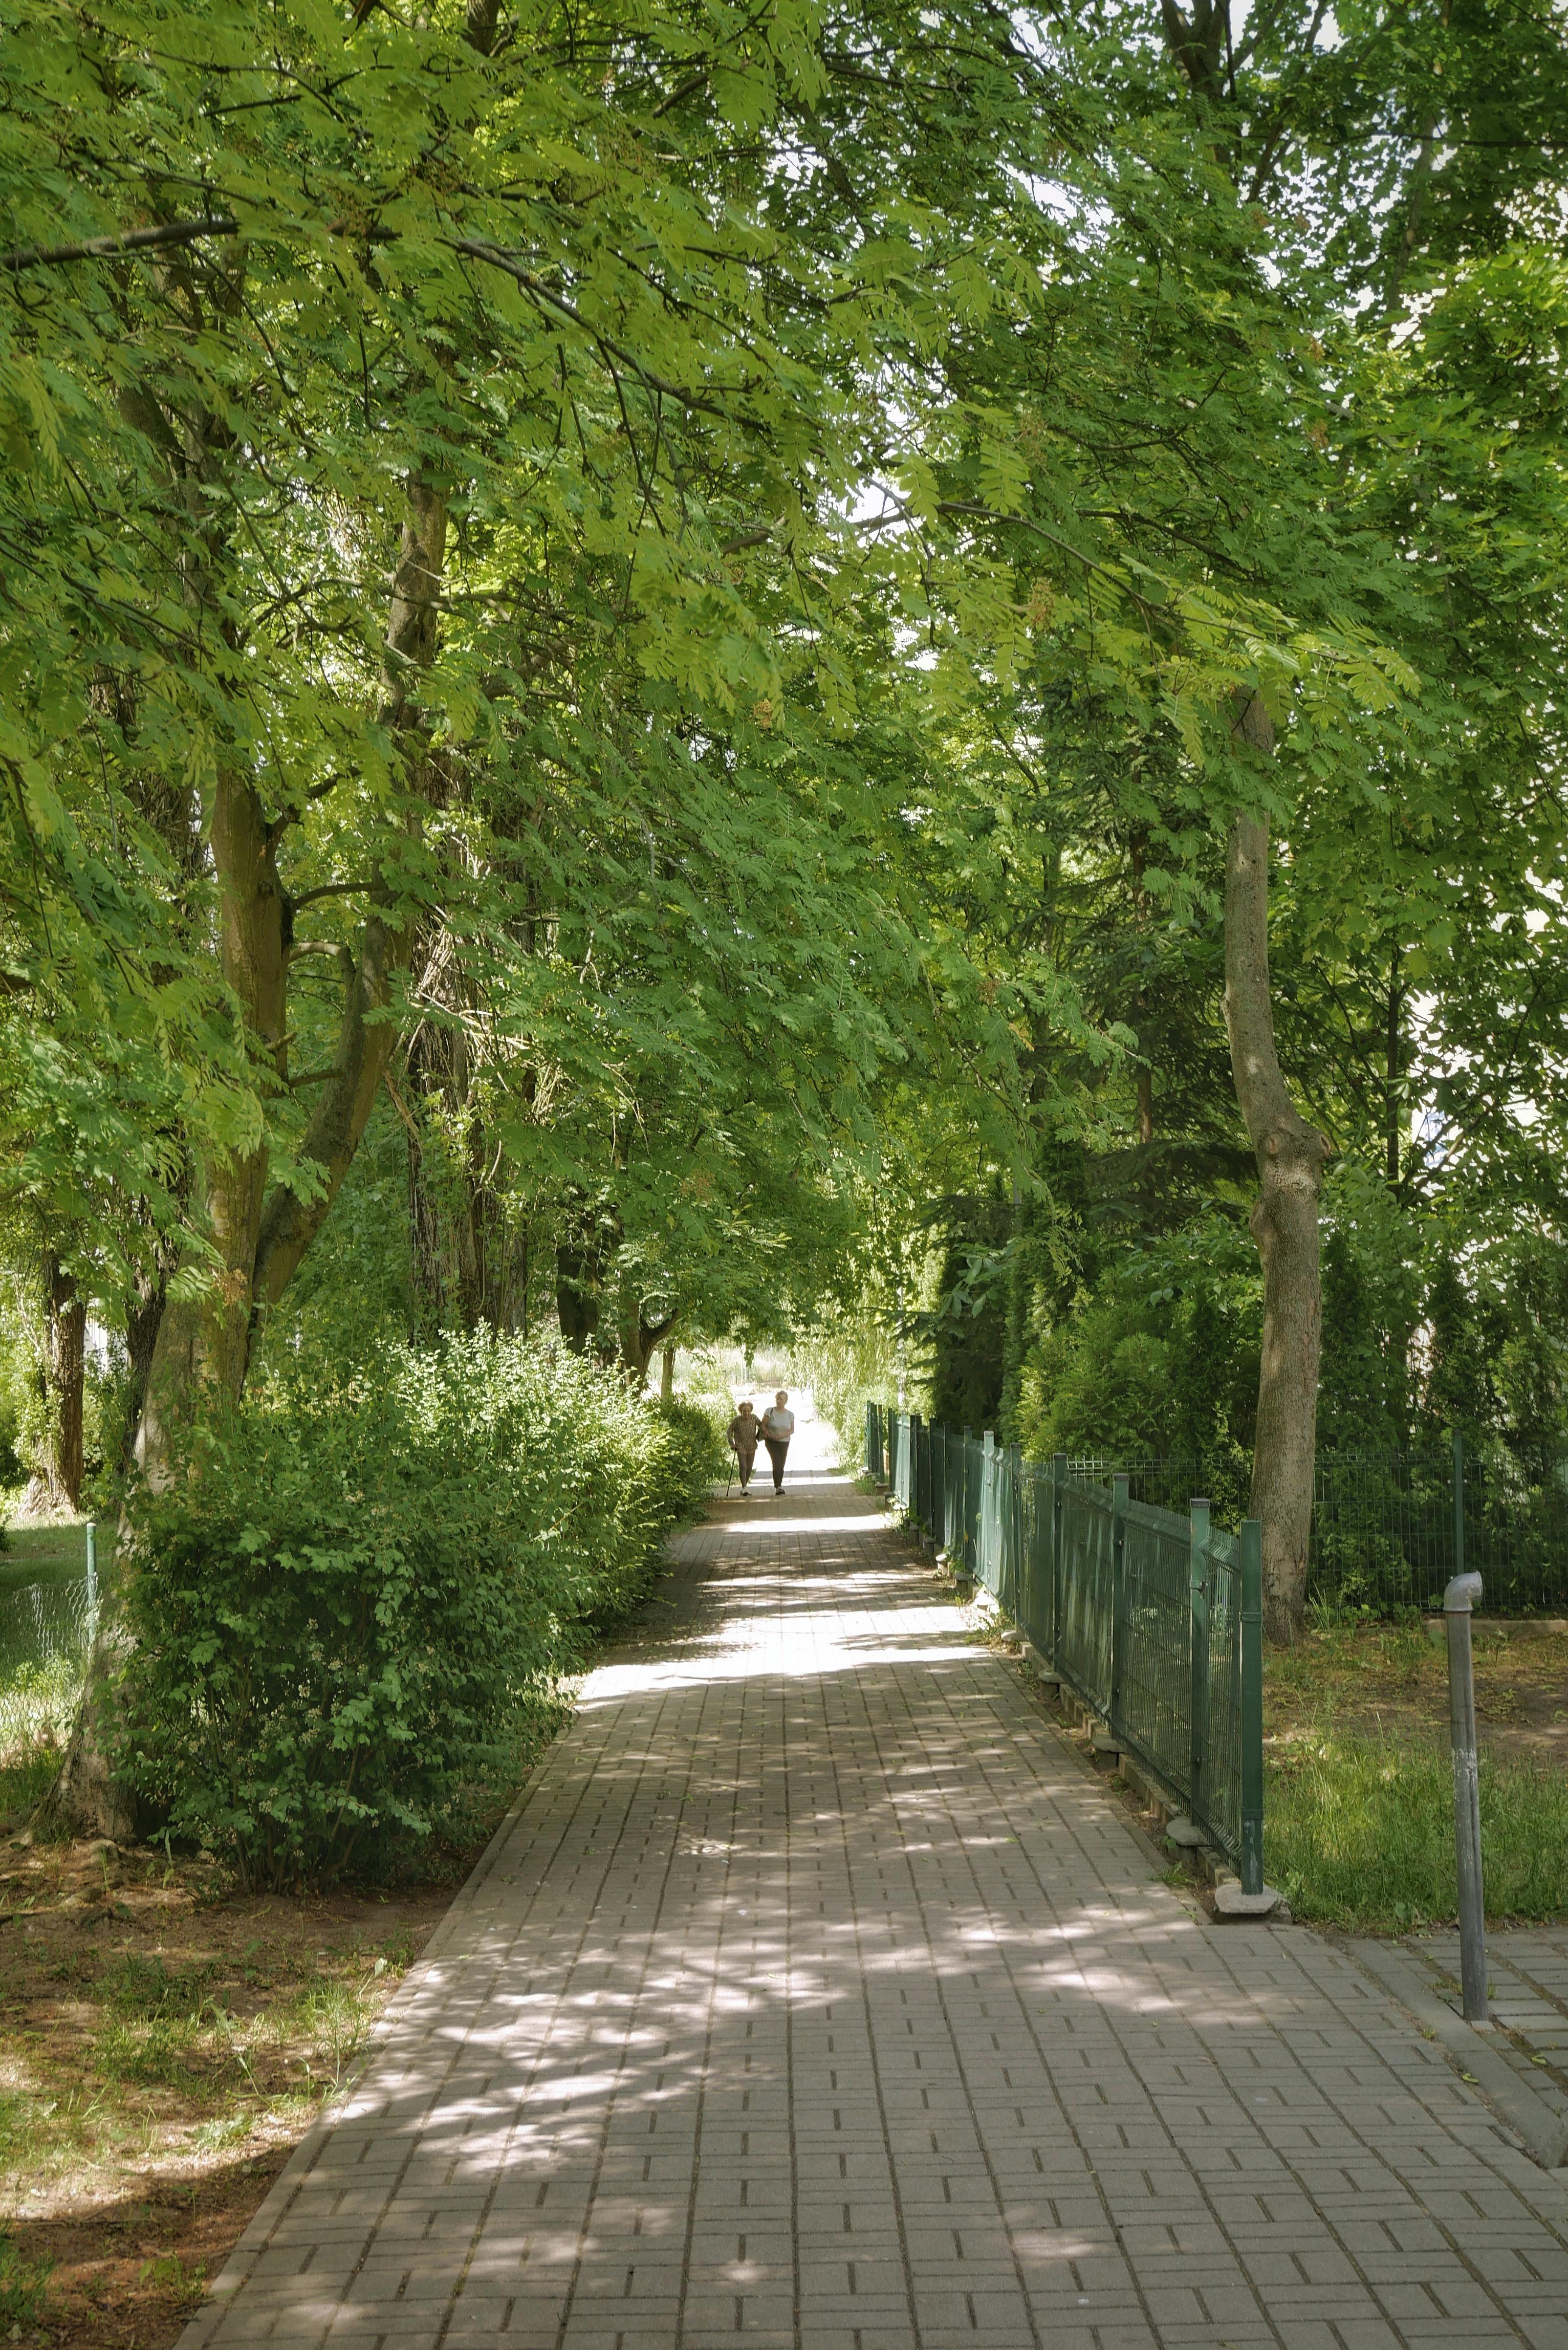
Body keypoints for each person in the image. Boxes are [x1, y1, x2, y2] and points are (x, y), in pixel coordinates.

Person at [759, 1390, 795, 1494]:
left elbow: (792, 1430)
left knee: (782, 1463)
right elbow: (763, 1425)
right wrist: (769, 1435)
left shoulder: (790, 1415)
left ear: (786, 1401)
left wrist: (780, 1436)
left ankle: (779, 1484)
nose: (779, 1401)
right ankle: (778, 1487)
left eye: (781, 1399)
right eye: (778, 1399)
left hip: (784, 1442)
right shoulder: (770, 1411)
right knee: (776, 1462)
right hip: (771, 1442)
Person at [727, 1401, 760, 1493]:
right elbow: (729, 1432)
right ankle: (744, 1487)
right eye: (745, 1411)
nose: (747, 1413)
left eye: (748, 1411)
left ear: (751, 1411)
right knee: (743, 1466)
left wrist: (760, 1435)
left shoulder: (754, 1418)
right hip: (740, 1446)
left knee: (749, 1467)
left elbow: (762, 1426)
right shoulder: (737, 1420)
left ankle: (744, 1487)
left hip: (752, 1445)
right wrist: (732, 1443)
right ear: (741, 1411)